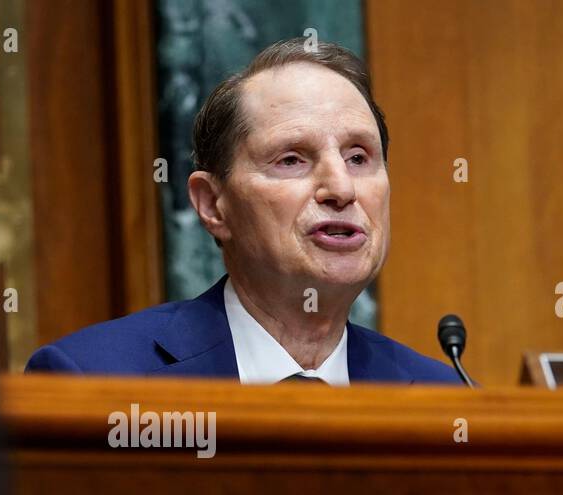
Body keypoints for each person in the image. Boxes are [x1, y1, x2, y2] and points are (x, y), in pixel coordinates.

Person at [27, 38, 460, 385]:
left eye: (359, 158)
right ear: (213, 205)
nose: (341, 189)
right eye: (292, 159)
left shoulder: (444, 399)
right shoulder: (94, 381)